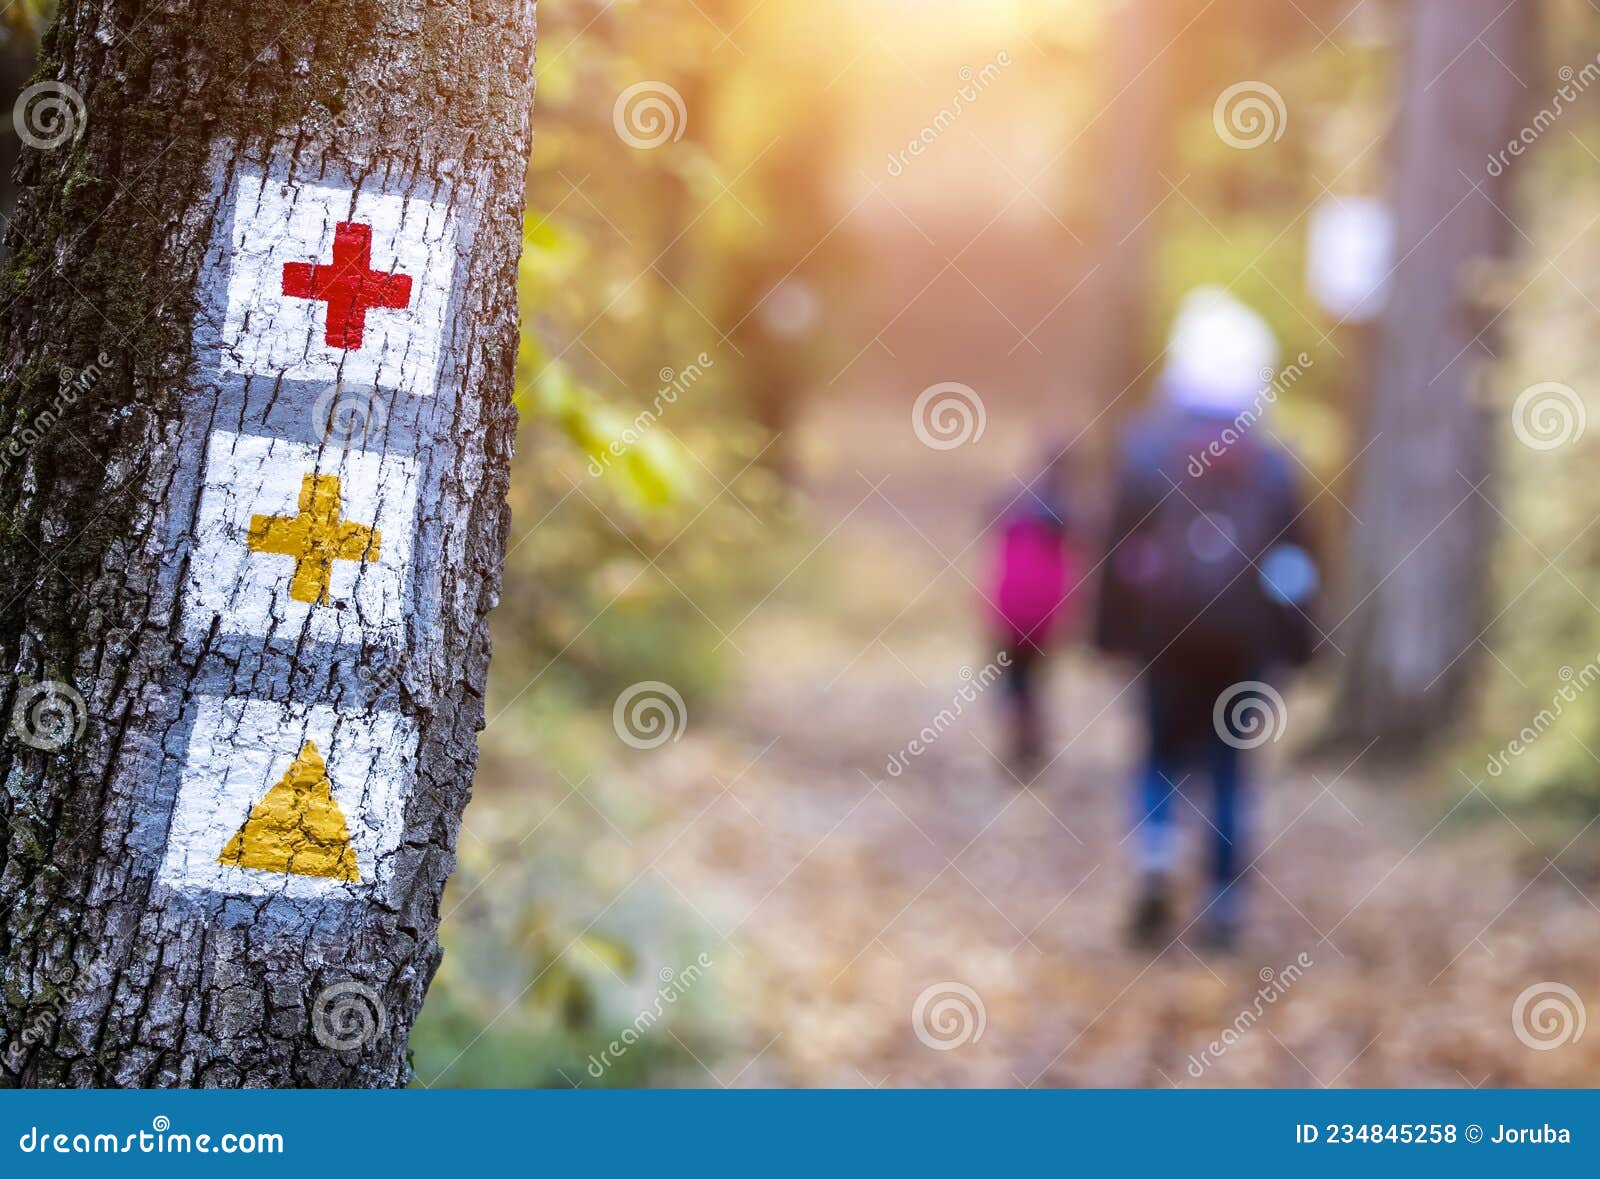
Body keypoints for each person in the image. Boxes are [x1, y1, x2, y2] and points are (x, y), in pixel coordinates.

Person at [1094, 289, 1319, 951]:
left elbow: (1117, 553)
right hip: (1243, 641)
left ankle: (1157, 855)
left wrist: (1108, 635)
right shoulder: (1274, 464)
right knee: (1229, 764)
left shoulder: (1146, 450)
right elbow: (1298, 564)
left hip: (1162, 636)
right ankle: (1222, 900)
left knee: (1159, 754)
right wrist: (1301, 648)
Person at [985, 450, 1081, 771]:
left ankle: (1021, 742)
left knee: (1015, 679)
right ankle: (1028, 743)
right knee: (1032, 681)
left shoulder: (1015, 504)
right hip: (1042, 615)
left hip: (1013, 610)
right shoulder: (1066, 512)